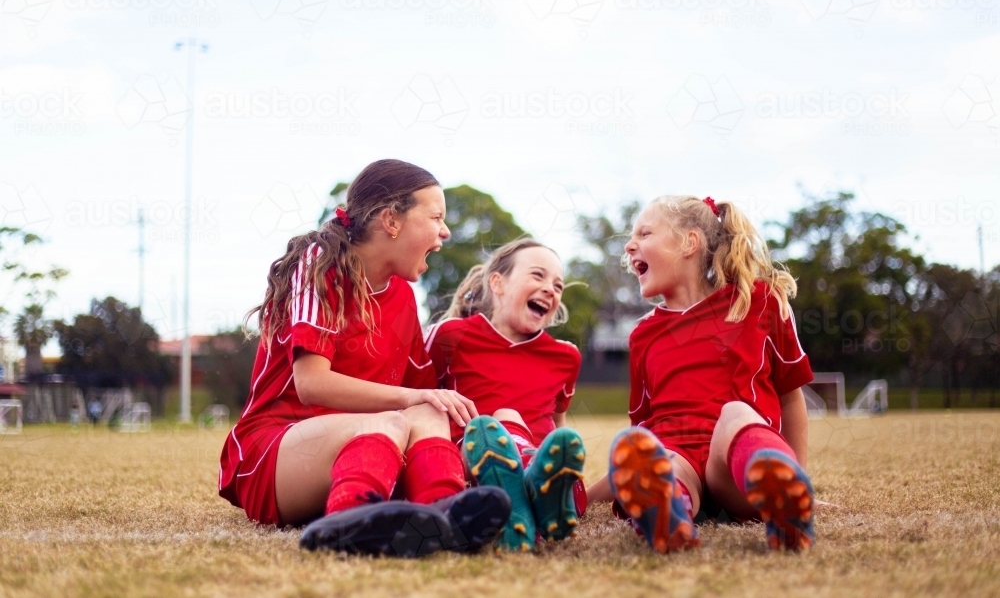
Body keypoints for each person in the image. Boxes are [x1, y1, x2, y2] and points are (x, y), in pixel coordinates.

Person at [219, 160, 510, 557]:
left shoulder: (404, 297)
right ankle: (349, 519)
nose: (445, 231)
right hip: (274, 451)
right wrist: (407, 400)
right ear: (391, 220)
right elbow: (311, 384)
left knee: (428, 412)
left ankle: (445, 514)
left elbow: (422, 398)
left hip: (370, 444)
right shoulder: (318, 264)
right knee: (393, 419)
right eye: (436, 217)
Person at [588, 196, 816, 552]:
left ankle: (783, 498)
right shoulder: (642, 336)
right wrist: (584, 498)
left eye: (645, 233)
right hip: (679, 457)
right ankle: (669, 512)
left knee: (735, 414)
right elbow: (643, 430)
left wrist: (799, 476)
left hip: (733, 471)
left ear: (689, 243)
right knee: (657, 456)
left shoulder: (758, 301)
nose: (630, 245)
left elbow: (790, 396)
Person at [425, 238, 585, 551]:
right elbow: (420, 398)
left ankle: (534, 492)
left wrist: (570, 468)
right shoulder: (452, 336)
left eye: (558, 285)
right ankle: (527, 495)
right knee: (496, 421)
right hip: (471, 473)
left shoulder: (566, 356)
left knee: (512, 422)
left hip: (553, 480)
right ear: (497, 283)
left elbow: (558, 425)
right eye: (537, 276)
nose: (550, 289)